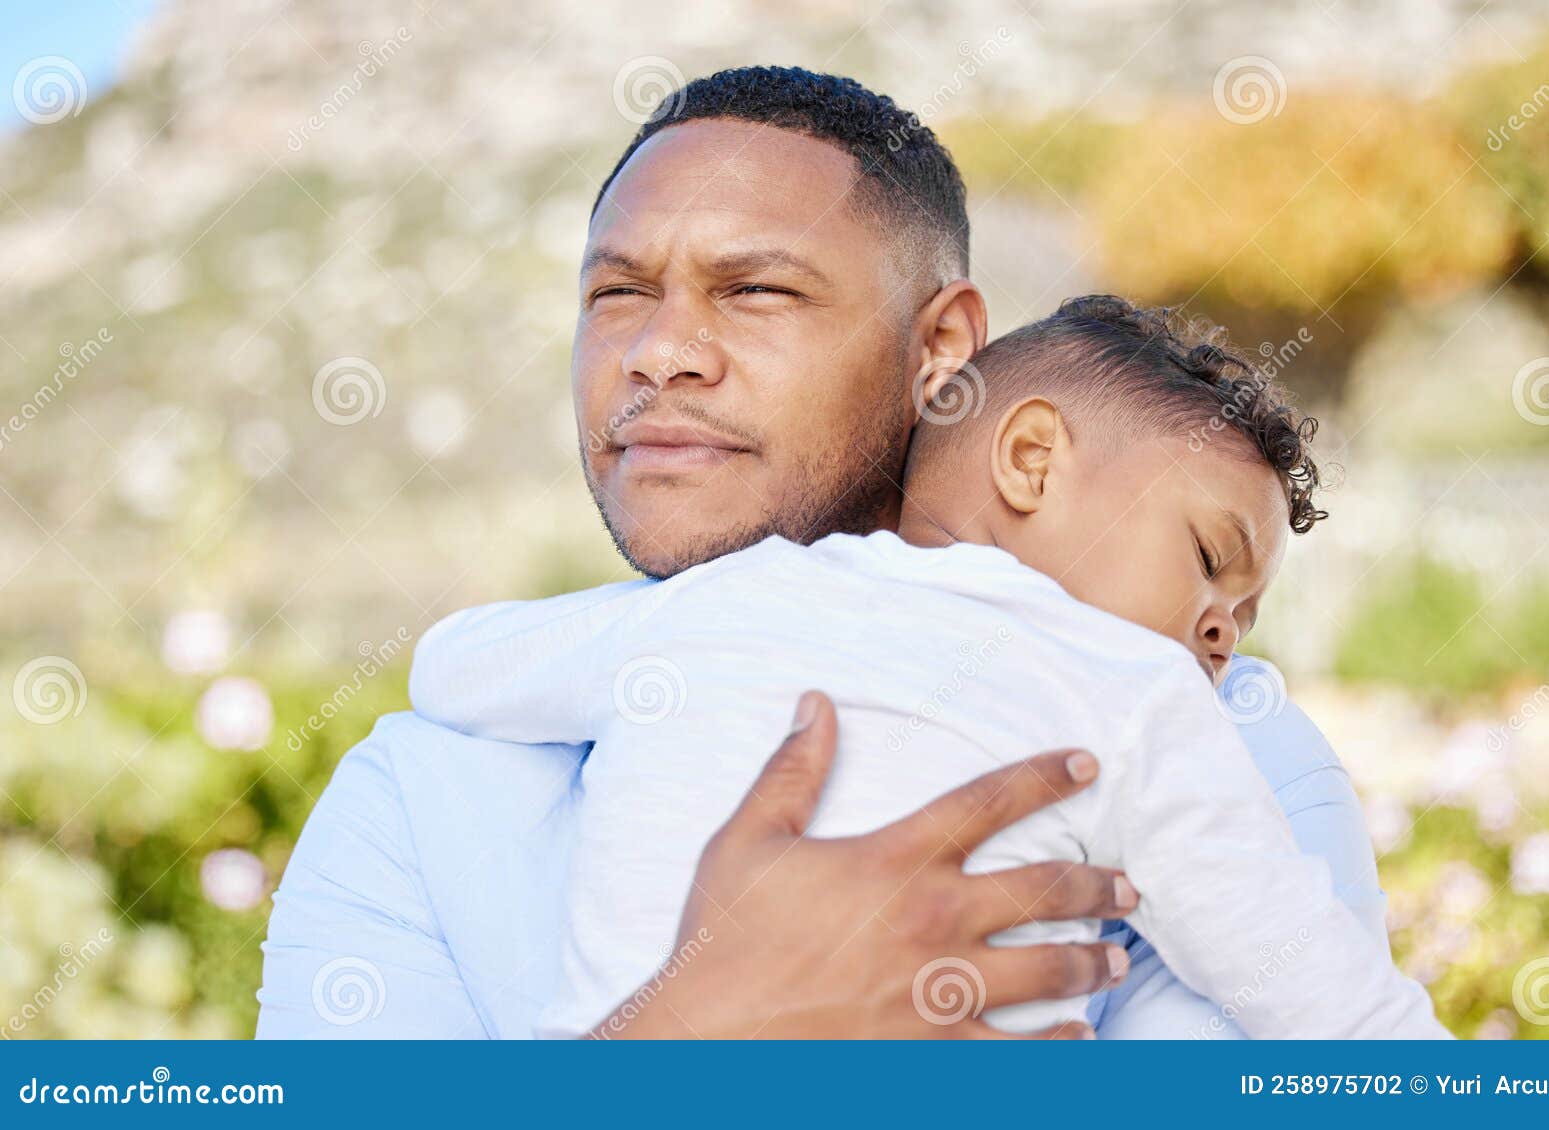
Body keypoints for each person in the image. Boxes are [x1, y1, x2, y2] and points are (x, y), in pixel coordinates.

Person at [257, 67, 1388, 1039]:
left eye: (753, 289)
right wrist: (684, 1034)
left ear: (940, 343)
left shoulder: (1214, 738)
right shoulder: (415, 792)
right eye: (618, 292)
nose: (660, 352)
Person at [410, 296, 1445, 1039]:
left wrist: (663, 622)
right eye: (1211, 560)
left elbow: (452, 667)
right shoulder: (1132, 691)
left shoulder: (728, 599)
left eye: (1244, 619)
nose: (1221, 633)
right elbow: (1325, 1002)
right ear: (1031, 458)